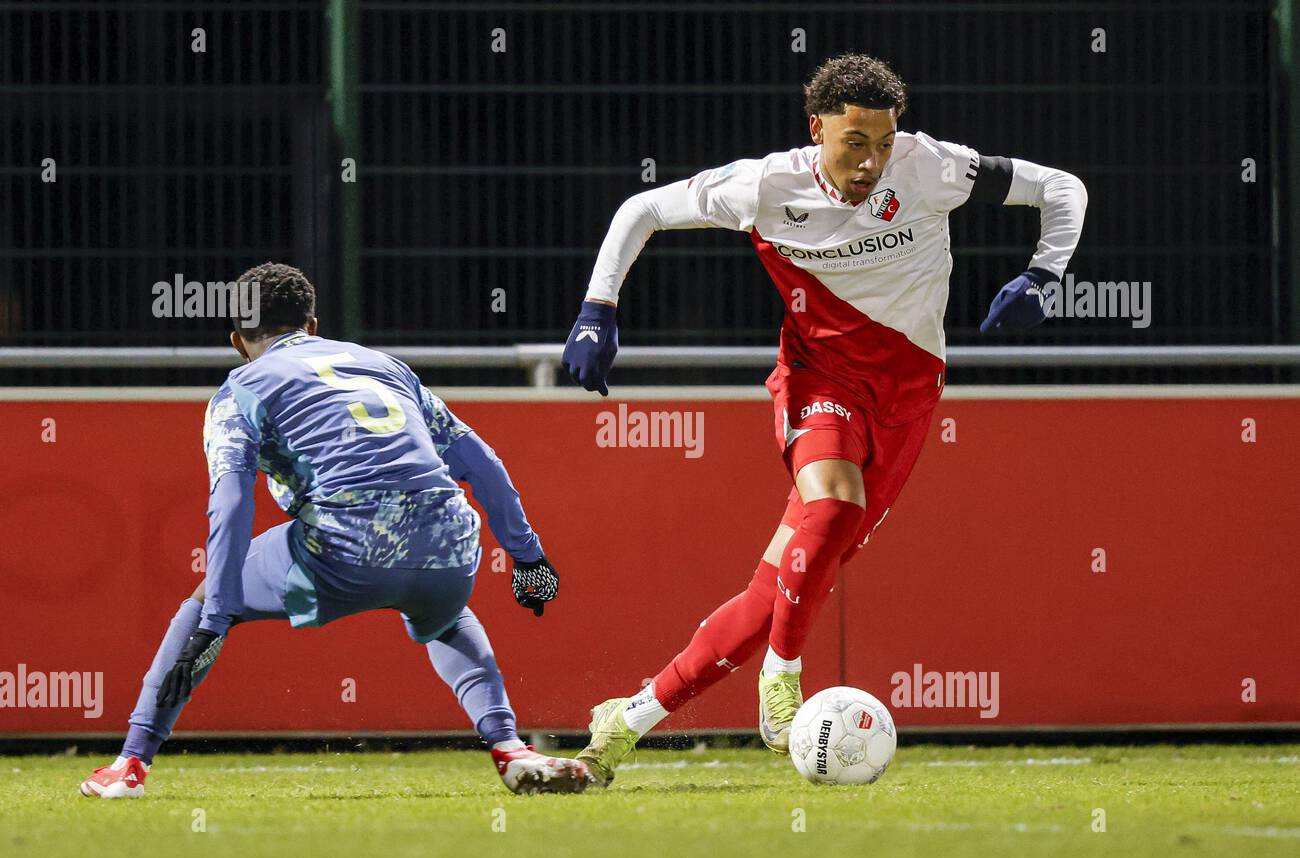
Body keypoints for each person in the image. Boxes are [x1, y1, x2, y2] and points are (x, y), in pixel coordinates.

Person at [561, 53, 1087, 785]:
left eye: (882, 142)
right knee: (834, 500)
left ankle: (625, 722)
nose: (871, 161)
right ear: (818, 130)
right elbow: (641, 210)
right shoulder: (764, 185)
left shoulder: (931, 166)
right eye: (854, 143)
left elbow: (1061, 188)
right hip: (819, 382)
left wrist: (1044, 275)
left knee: (772, 595)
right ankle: (784, 673)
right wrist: (598, 308)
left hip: (908, 403)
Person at [80, 262, 591, 798]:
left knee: (201, 601)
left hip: (343, 547)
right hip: (451, 544)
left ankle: (131, 764)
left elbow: (230, 502)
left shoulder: (241, 388)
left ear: (237, 341)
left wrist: (216, 617)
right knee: (446, 618)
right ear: (313, 324)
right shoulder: (382, 365)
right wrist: (528, 556)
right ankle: (509, 746)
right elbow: (480, 462)